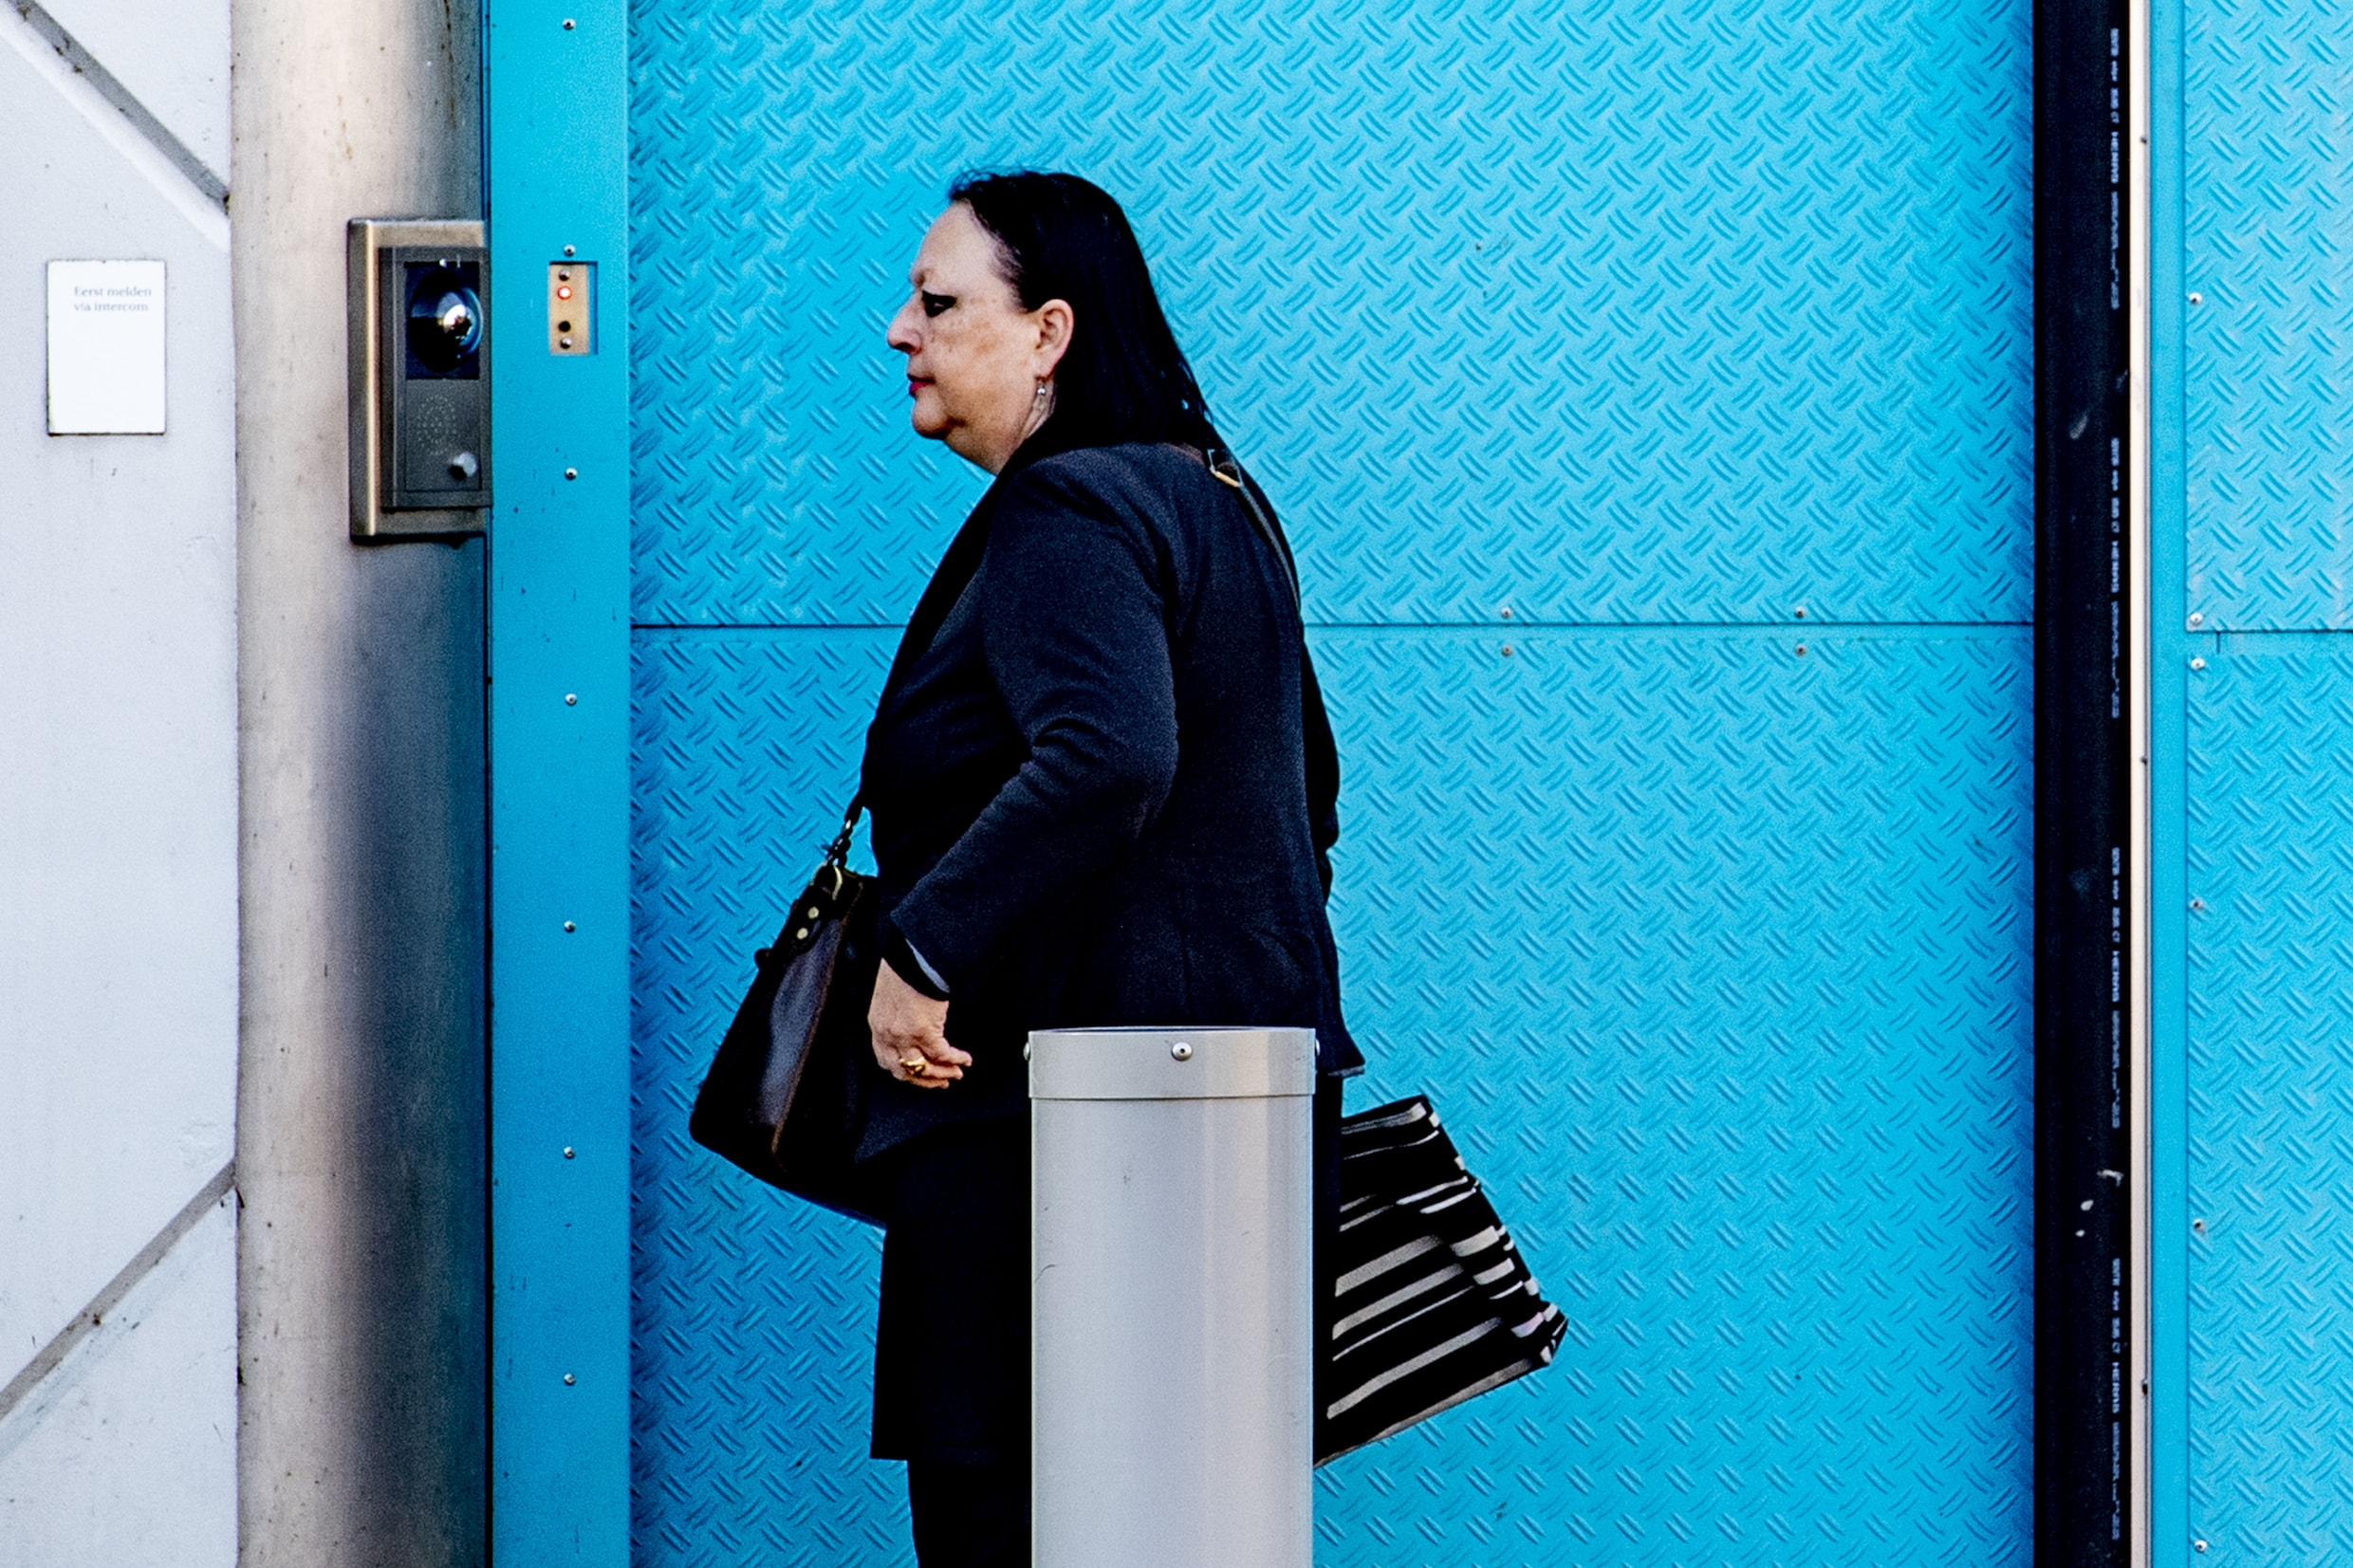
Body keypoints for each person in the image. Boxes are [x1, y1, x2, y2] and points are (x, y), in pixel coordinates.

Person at [855, 169, 1360, 1567]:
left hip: (1056, 1134)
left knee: (1013, 1529)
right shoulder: (1221, 500)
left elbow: (1109, 757)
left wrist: (922, 954)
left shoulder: (1067, 510)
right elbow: (1309, 792)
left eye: (942, 302)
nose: (902, 330)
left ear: (1052, 332)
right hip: (1231, 1127)